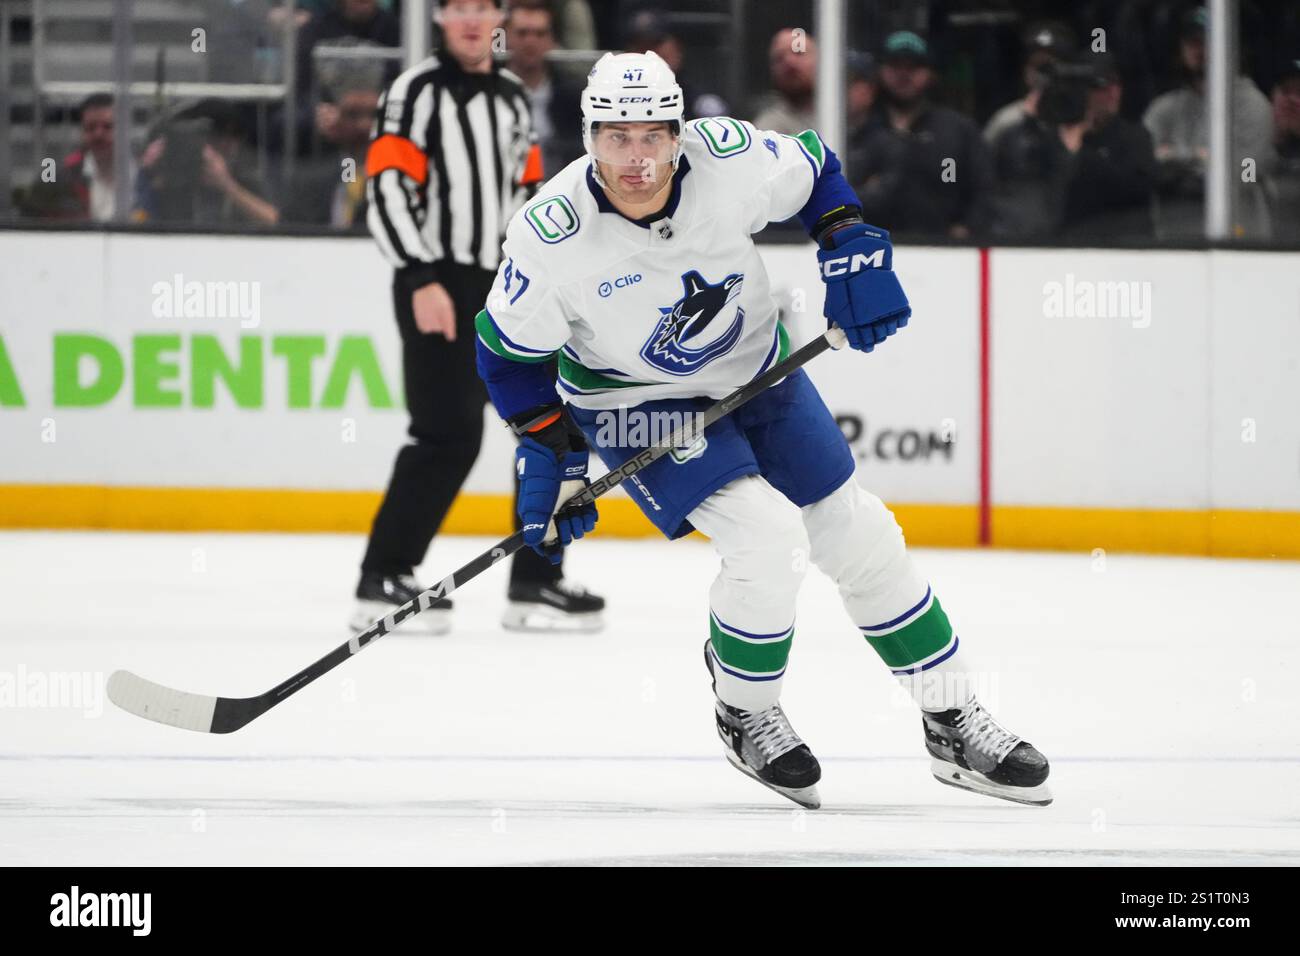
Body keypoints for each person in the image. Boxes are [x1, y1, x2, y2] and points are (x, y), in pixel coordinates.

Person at [473, 51, 1052, 808]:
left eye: (653, 135)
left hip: (759, 378)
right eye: (617, 137)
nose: (637, 158)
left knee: (859, 533)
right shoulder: (551, 235)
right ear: (588, 136)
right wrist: (556, 454)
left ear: (679, 133)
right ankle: (747, 712)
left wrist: (846, 237)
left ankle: (952, 721)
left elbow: (814, 170)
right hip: (637, 405)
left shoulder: (728, 158)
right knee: (767, 541)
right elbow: (508, 358)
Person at [359, 0, 604, 634]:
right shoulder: (415, 91)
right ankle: (382, 576)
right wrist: (418, 276)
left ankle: (536, 581)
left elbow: (529, 196)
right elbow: (386, 187)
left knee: (554, 427)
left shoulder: (513, 97)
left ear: (496, 15)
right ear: (440, 17)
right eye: (458, 7)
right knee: (448, 436)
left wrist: (546, 277)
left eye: (481, 6)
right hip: (437, 279)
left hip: (507, 287)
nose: (471, 19)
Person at [1143, 5, 1273, 238]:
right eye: (1192, 42)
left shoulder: (1254, 105)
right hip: (1173, 244)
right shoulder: (1164, 109)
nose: (1200, 49)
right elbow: (1144, 170)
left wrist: (1173, 157)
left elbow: (1244, 175)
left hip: (1240, 243)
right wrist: (1202, 157)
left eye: (1208, 41)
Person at [850, 31, 991, 240]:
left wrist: (965, 232)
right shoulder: (859, 129)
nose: (904, 74)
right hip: (871, 251)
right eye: (895, 65)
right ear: (880, 72)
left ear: (930, 73)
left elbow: (983, 192)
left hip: (942, 252)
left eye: (914, 66)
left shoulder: (957, 130)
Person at [505, 0, 585, 182]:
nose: (531, 41)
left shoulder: (573, 99)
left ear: (552, 41)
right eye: (522, 33)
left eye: (540, 33)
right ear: (507, 37)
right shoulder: (488, 93)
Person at [24, 93, 126, 222]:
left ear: (124, 130)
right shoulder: (55, 177)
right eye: (91, 128)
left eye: (108, 127)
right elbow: (28, 226)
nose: (98, 135)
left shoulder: (142, 175)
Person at [1262, 56, 1300, 241]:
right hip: (1257, 247)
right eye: (1285, 91)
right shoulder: (1253, 153)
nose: (1292, 100)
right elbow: (1246, 180)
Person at [753, 27, 817, 135]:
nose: (789, 62)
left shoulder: (846, 113)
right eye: (779, 58)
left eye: (799, 52)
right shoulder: (769, 130)